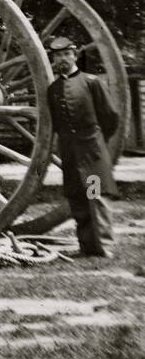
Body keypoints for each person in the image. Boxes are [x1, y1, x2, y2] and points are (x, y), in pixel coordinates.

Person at [46, 36, 120, 259]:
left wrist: (96, 141)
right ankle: (86, 246)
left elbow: (110, 117)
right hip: (69, 152)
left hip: (91, 151)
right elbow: (57, 123)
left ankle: (103, 246)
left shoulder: (92, 82)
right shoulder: (53, 89)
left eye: (66, 55)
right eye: (57, 56)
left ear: (75, 55)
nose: (62, 60)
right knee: (77, 198)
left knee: (95, 195)